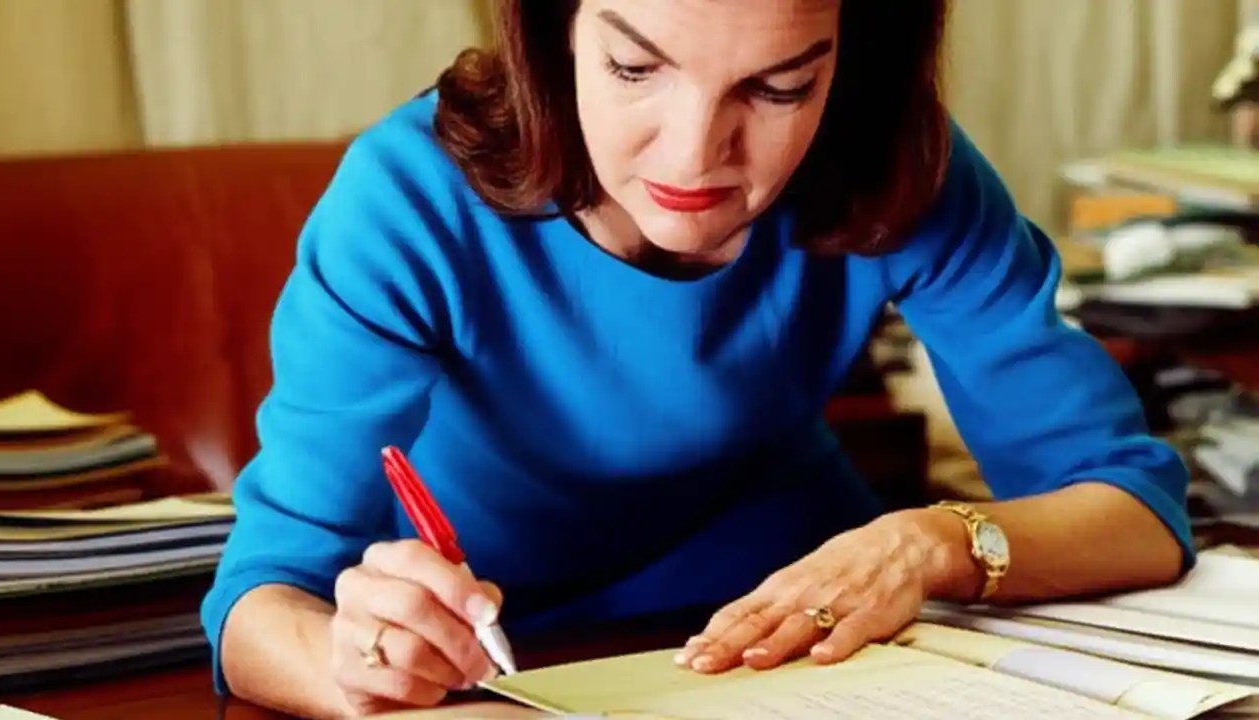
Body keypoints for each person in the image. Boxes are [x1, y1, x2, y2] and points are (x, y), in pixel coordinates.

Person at [202, 0, 1195, 717]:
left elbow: (1131, 508)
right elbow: (257, 603)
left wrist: (931, 541)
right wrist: (356, 666)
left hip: (807, 646)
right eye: (634, 69)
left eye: (777, 87)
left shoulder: (898, 164)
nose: (691, 156)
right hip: (492, 652)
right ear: (552, 35)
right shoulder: (406, 196)